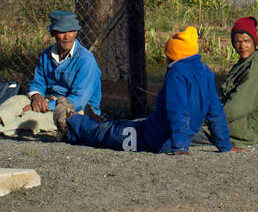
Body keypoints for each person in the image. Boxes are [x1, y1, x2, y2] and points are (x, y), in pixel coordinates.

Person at [58, 26, 238, 154]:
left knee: (109, 132)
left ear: (173, 57)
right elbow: (215, 112)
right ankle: (73, 131)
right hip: (161, 133)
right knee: (124, 125)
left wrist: (180, 148)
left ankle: (72, 122)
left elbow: (178, 110)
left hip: (155, 139)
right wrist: (225, 145)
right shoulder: (205, 71)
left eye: (168, 57)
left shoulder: (176, 72)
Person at [0, 10, 101, 138]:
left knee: (31, 118)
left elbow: (78, 101)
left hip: (76, 110)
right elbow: (38, 82)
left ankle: (7, 126)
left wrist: (44, 106)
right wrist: (36, 96)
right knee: (16, 101)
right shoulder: (47, 54)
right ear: (52, 33)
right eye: (62, 32)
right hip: (48, 100)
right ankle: (4, 119)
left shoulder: (86, 59)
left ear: (76, 32)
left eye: (71, 31)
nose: (67, 36)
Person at [193, 17, 258, 148]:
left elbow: (236, 108)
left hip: (238, 132)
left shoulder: (255, 70)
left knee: (176, 131)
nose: (242, 46)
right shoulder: (242, 64)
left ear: (254, 42)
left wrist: (205, 120)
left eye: (246, 41)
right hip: (225, 124)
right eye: (238, 42)